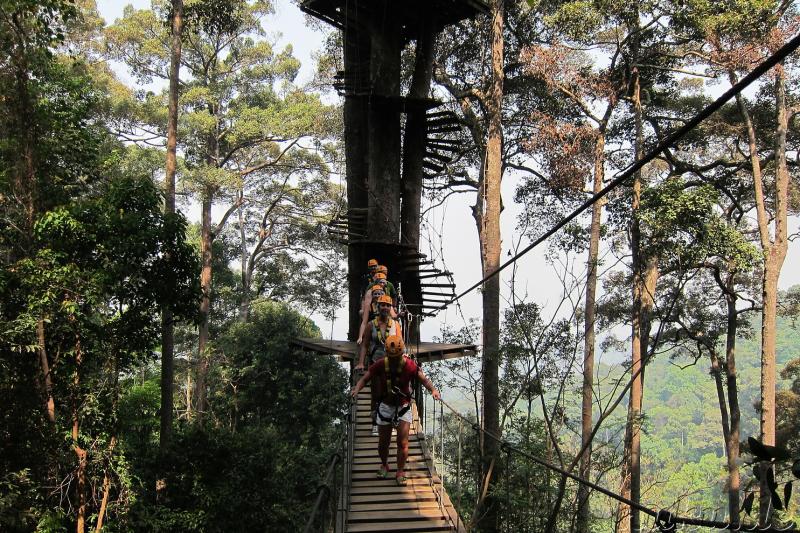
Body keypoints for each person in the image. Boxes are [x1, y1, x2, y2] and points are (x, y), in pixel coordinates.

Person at [351, 335, 440, 486]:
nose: (394, 359)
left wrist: (433, 390)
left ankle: (400, 470)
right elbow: (365, 378)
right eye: (392, 356)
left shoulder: (409, 365)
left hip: (403, 407)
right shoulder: (380, 364)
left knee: (403, 443)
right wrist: (357, 389)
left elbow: (423, 379)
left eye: (397, 356)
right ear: (386, 353)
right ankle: (384, 465)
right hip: (385, 407)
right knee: (383, 443)